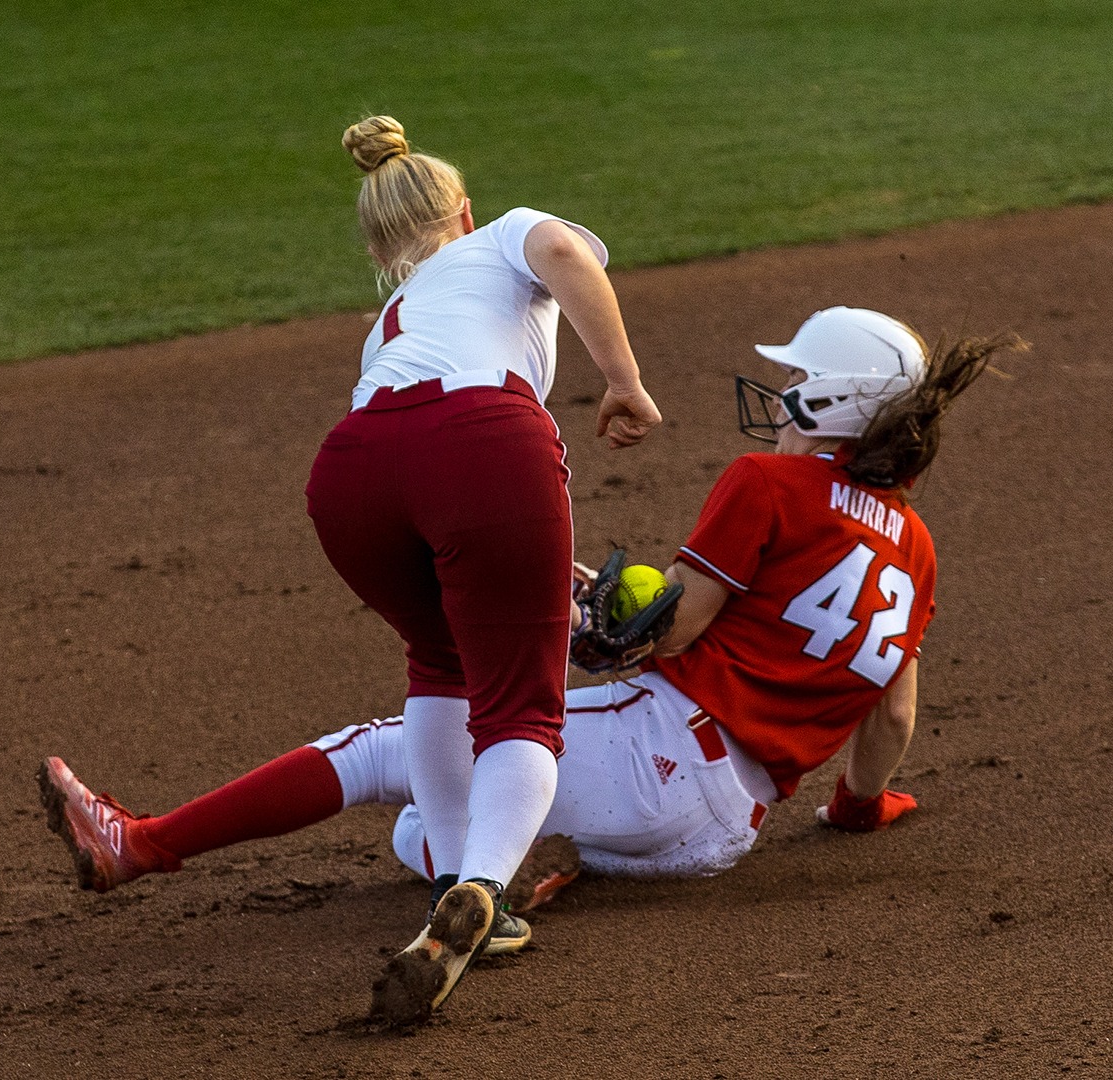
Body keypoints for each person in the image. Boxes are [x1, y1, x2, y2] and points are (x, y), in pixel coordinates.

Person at [37, 307, 1023, 1010]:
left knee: (391, 749)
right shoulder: (920, 548)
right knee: (425, 833)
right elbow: (890, 719)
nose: (790, 390)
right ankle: (528, 871)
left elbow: (670, 634)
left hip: (661, 754)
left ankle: (142, 844)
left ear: (843, 403)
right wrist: (859, 806)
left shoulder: (770, 484)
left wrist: (600, 618)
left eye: (807, 380)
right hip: (719, 835)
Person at [41, 115, 662, 1025]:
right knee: (524, 704)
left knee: (442, 662)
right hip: (486, 449)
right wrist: (623, 380)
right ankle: (485, 889)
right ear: (464, 212)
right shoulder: (504, 234)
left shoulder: (389, 324)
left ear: (379, 245)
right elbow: (567, 249)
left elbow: (423, 466)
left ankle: (455, 881)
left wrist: (514, 543)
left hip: (355, 471)